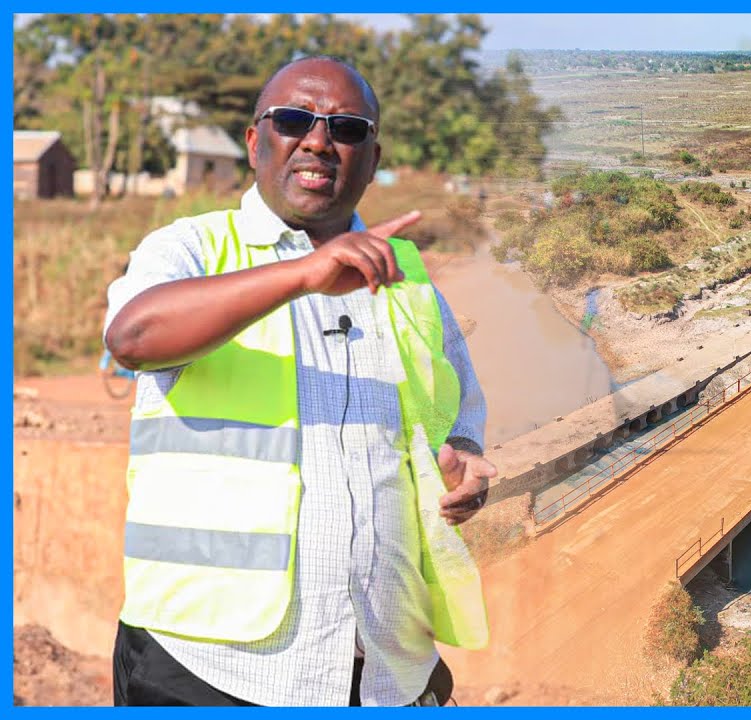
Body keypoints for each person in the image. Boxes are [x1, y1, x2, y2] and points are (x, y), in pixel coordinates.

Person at [104, 56, 493, 707]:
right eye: (293, 120)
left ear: (372, 156)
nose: (317, 139)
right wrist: (307, 272)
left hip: (384, 671)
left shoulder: (411, 282)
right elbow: (134, 338)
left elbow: (456, 424)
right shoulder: (190, 249)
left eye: (345, 127)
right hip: (207, 671)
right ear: (257, 142)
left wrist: (468, 473)